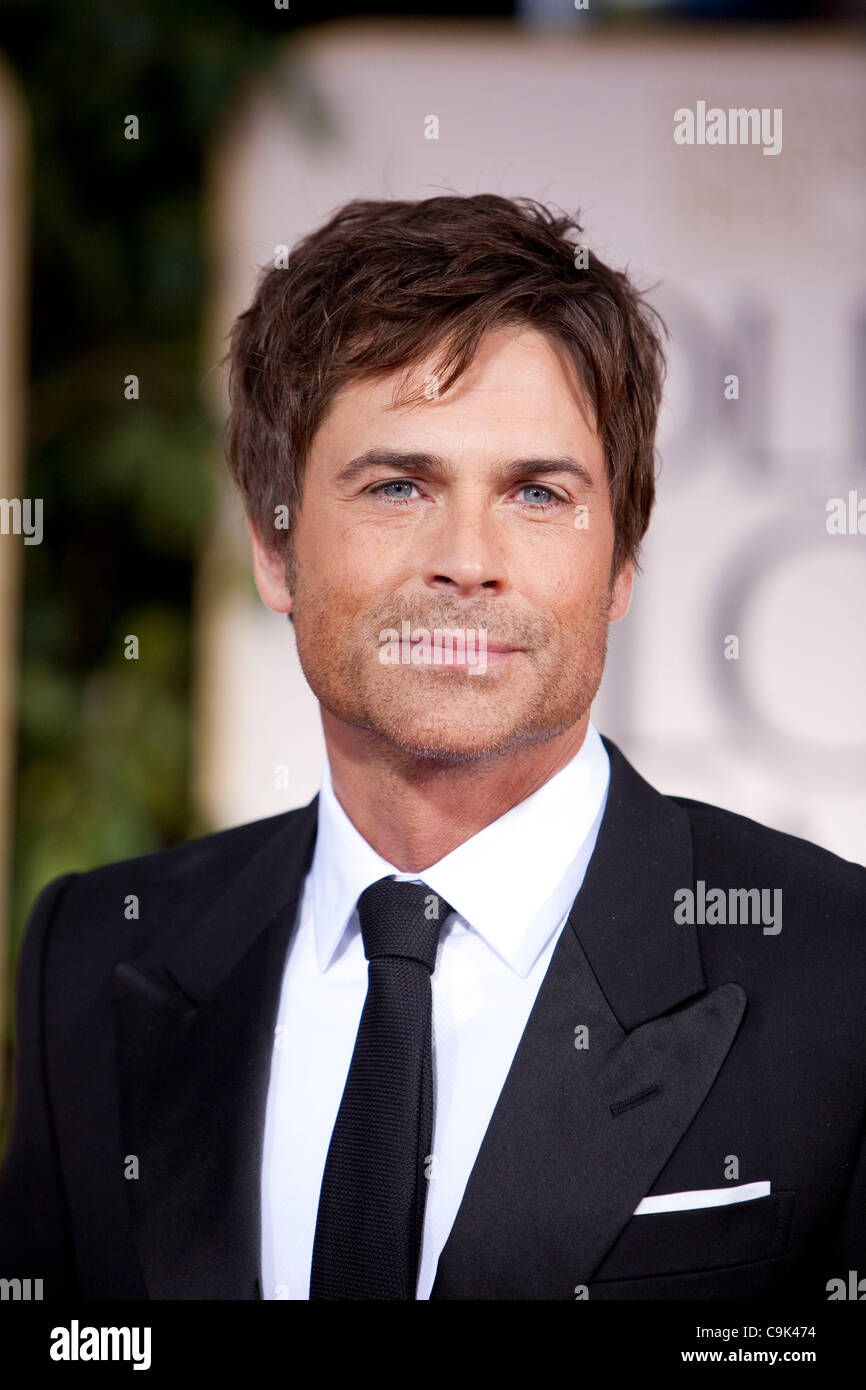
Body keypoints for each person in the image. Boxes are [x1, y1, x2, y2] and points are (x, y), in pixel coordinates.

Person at [1, 195, 863, 1300]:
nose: (466, 559)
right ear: (273, 548)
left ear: (619, 568)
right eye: (398, 486)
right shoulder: (94, 952)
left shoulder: (839, 973)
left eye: (536, 493)